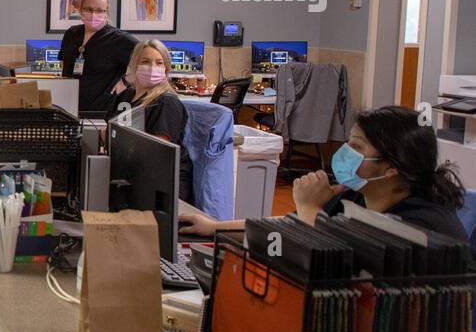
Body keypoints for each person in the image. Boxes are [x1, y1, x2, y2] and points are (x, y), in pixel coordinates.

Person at [182, 105, 468, 242]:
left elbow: (322, 265)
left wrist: (309, 207)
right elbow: (288, 223)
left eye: (356, 146)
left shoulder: (420, 227)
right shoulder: (358, 193)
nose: (344, 153)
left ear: (393, 167)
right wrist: (214, 227)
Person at [107, 38, 193, 201]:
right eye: (145, 61)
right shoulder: (126, 96)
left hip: (160, 182)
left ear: (166, 69)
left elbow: (158, 149)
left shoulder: (165, 102)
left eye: (159, 63)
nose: (152, 68)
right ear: (134, 65)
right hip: (130, 172)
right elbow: (109, 131)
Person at [59, 0, 137, 116]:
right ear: (80, 10)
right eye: (88, 9)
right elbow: (64, 63)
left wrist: (126, 81)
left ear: (107, 13)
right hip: (68, 107)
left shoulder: (120, 39)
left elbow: (145, 59)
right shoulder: (71, 34)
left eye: (100, 10)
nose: (93, 14)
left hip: (102, 110)